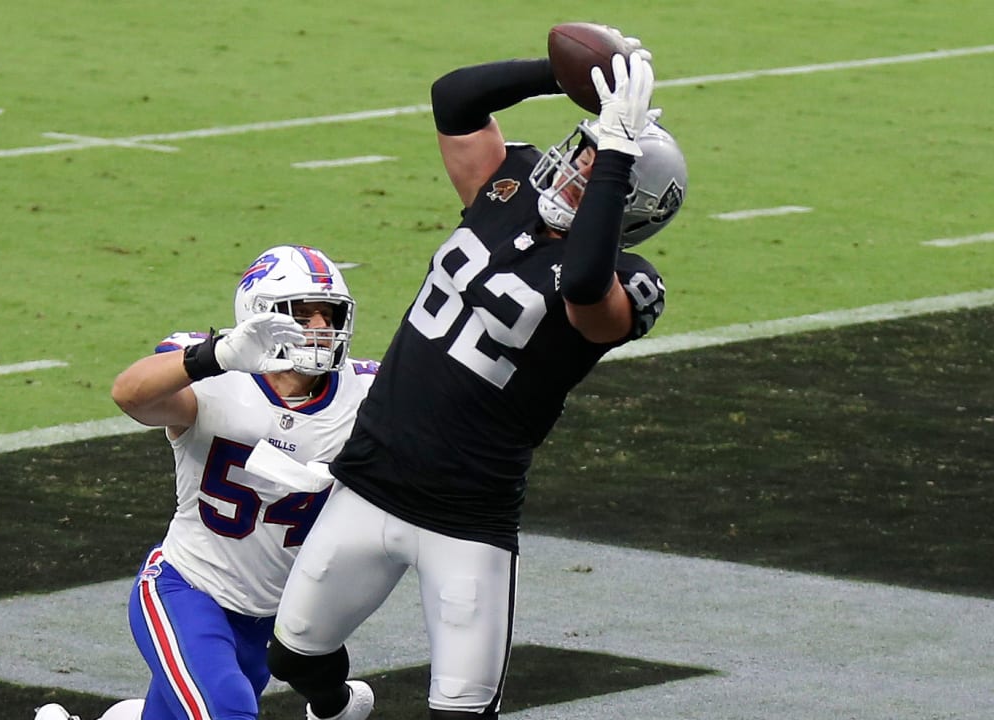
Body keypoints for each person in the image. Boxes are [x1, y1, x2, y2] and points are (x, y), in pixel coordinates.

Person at [265, 31, 688, 720]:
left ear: (626, 206)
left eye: (595, 171)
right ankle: (341, 707)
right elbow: (454, 98)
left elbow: (583, 282)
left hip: (467, 516)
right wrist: (568, 77)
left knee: (460, 713)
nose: (573, 173)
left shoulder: (631, 286)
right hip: (372, 475)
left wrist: (618, 150)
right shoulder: (510, 188)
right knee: (293, 657)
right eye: (579, 155)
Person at [36, 245, 378, 720]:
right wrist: (216, 355)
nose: (320, 327)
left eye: (330, 313)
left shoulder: (364, 394)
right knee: (224, 711)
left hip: (271, 615)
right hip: (188, 588)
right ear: (260, 315)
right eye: (303, 313)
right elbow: (129, 395)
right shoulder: (219, 376)